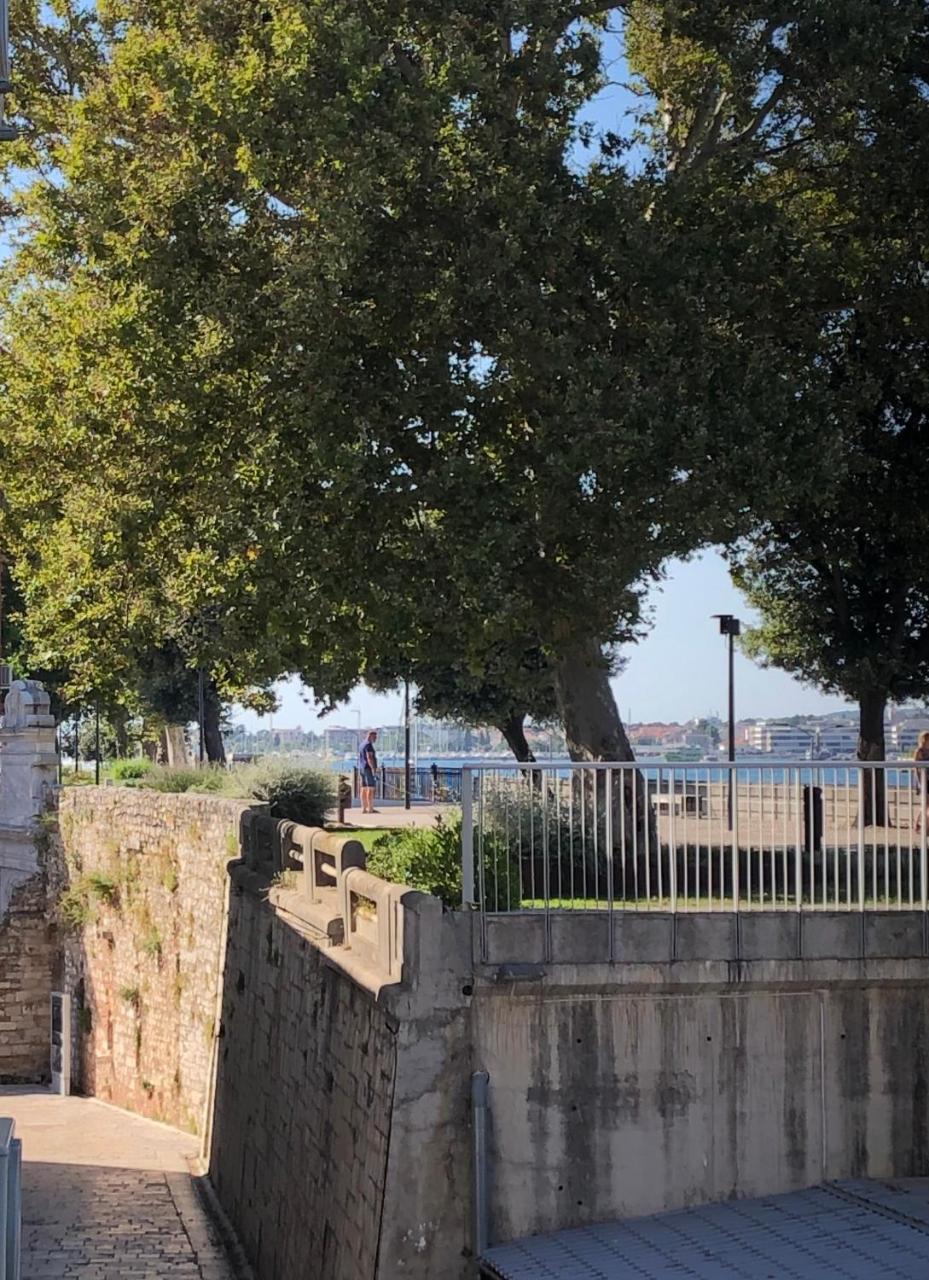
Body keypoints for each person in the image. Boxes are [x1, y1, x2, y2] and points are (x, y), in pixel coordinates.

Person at [358, 730, 379, 815]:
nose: (376, 739)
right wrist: (373, 769)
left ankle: (363, 808)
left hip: (361, 767)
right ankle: (370, 808)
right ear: (370, 736)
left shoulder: (362, 744)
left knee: (363, 787)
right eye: (375, 737)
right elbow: (369, 757)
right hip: (368, 768)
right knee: (370, 788)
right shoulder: (368, 745)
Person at [913, 732, 929, 833]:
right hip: (923, 780)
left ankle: (919, 824)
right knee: (926, 804)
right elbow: (916, 767)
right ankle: (924, 827)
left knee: (926, 805)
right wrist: (919, 781)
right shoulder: (919, 751)